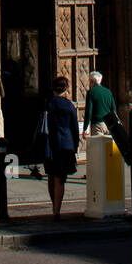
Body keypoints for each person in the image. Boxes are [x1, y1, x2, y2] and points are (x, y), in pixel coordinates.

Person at [44, 75, 80, 219]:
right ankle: (57, 211)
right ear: (66, 89)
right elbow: (74, 128)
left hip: (50, 143)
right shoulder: (69, 106)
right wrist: (75, 146)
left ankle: (54, 206)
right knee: (60, 179)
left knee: (51, 176)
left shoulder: (48, 104)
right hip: (65, 144)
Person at [83, 70, 116, 137]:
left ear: (92, 81)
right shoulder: (108, 92)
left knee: (98, 146)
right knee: (108, 146)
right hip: (109, 124)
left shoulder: (91, 92)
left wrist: (85, 128)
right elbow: (113, 109)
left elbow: (89, 111)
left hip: (98, 124)